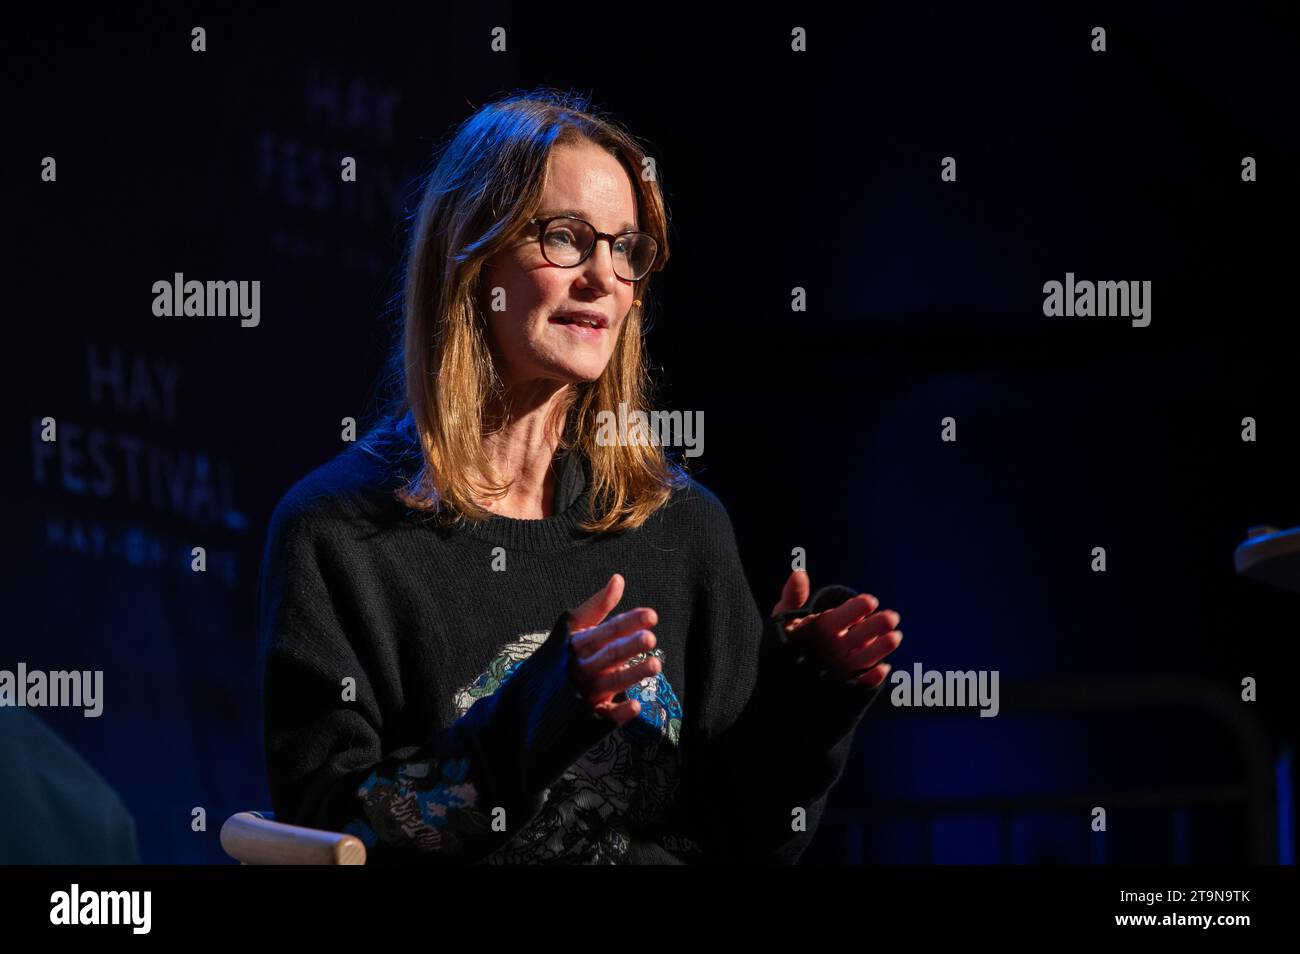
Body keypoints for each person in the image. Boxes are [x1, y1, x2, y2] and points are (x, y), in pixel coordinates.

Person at [258, 86, 904, 864]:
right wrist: (548, 707)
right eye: (566, 237)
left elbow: (742, 840)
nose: (604, 277)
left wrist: (804, 705)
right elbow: (337, 836)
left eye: (627, 248)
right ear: (472, 254)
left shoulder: (681, 528)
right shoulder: (341, 533)